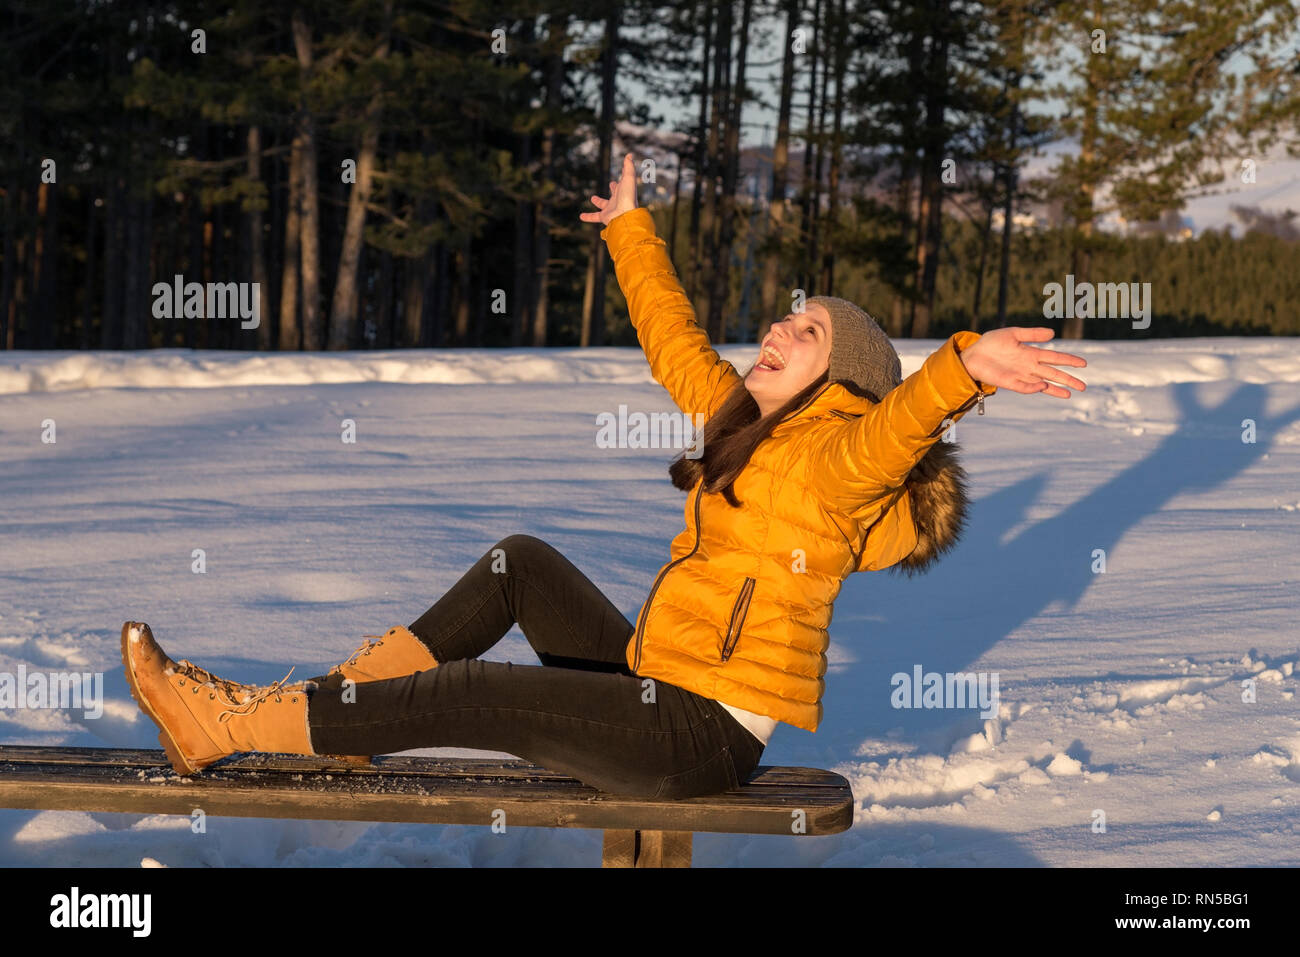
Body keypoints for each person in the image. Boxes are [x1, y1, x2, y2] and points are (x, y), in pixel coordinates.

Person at [121, 152, 1087, 800]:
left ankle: (232, 725)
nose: (778, 333)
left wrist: (959, 370)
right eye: (788, 319)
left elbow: (898, 431)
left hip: (697, 735)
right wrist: (631, 229)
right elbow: (677, 344)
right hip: (661, 685)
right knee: (521, 564)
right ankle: (342, 706)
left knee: (476, 692)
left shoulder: (837, 463)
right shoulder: (748, 429)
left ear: (841, 380)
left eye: (807, 333)